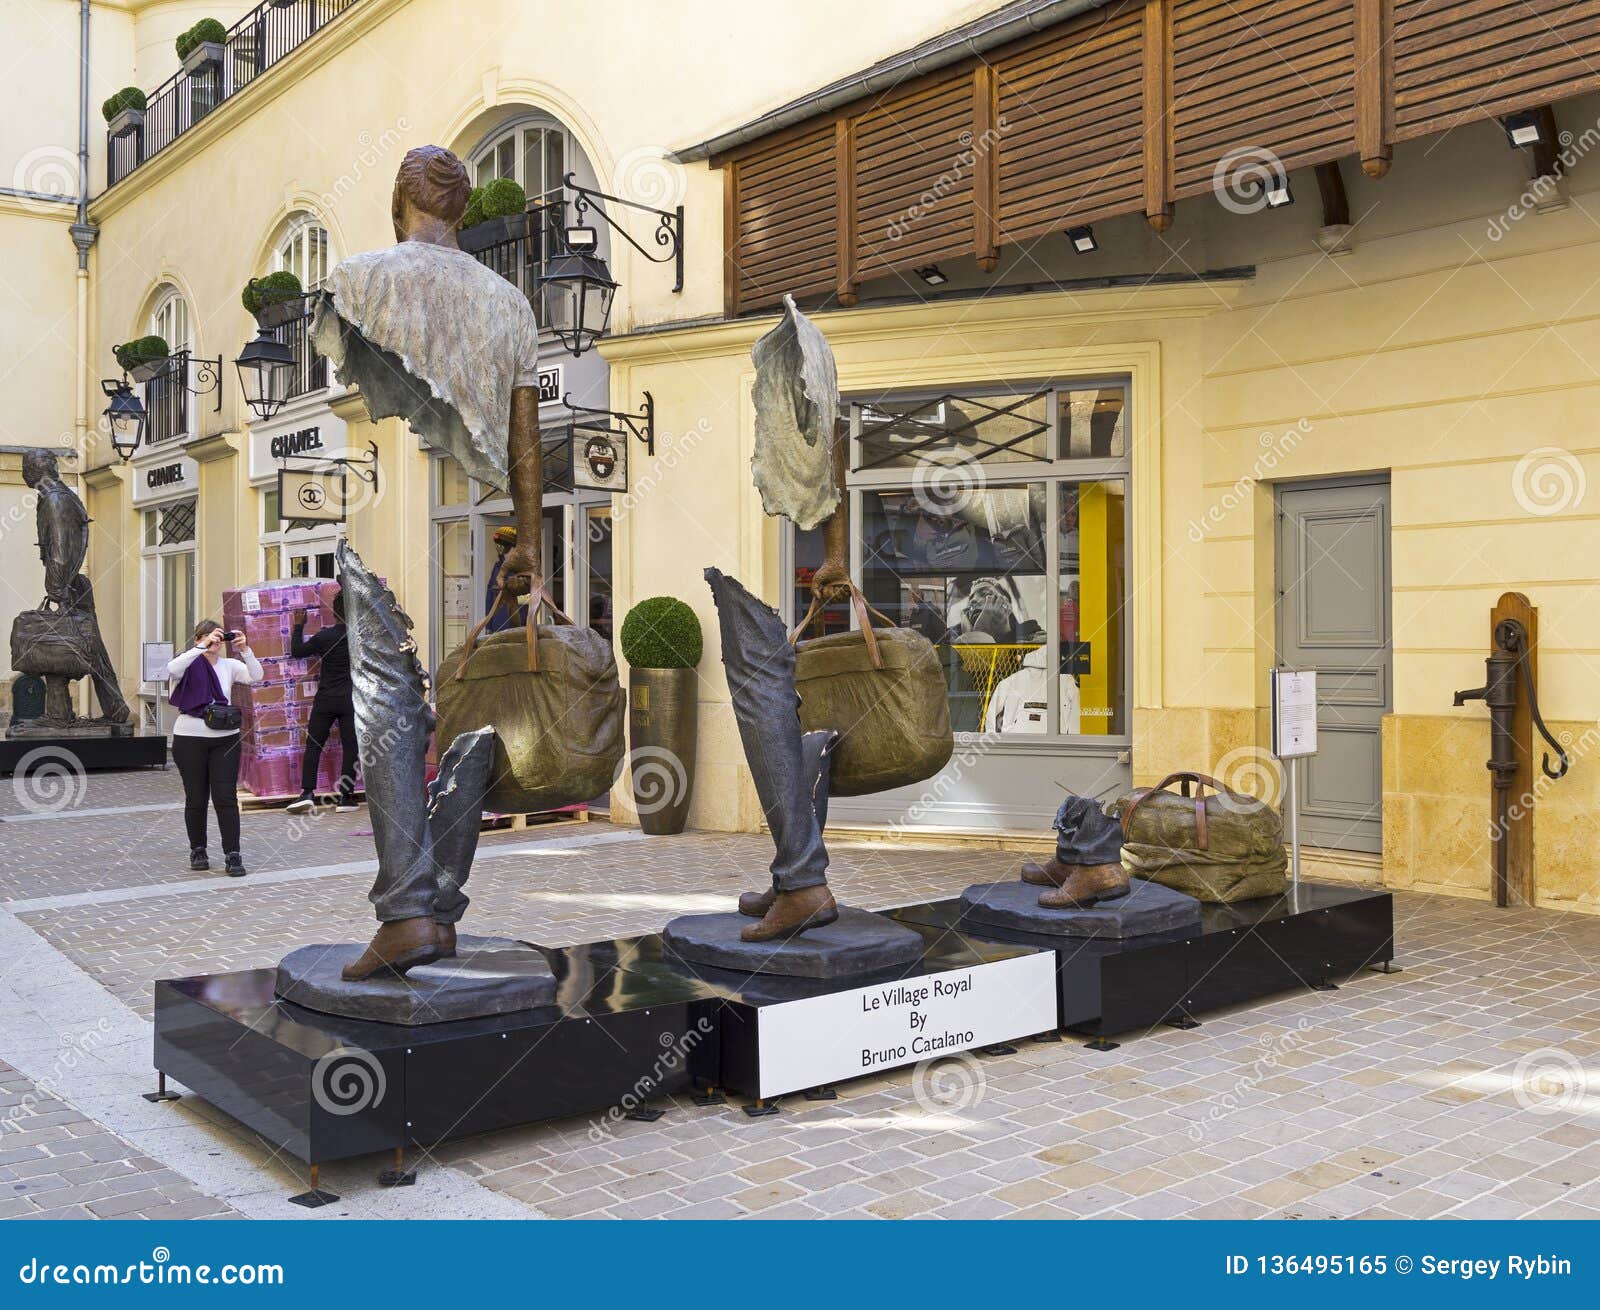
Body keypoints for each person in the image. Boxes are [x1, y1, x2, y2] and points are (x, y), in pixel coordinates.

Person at [167, 621, 262, 877]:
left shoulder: (229, 665)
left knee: (226, 797)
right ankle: (198, 849)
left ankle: (233, 854)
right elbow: (171, 668)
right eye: (212, 638)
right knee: (196, 797)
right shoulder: (187, 662)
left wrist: (245, 650)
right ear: (199, 638)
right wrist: (201, 647)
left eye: (220, 639)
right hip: (189, 738)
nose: (217, 643)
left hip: (226, 739)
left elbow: (256, 676)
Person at [286, 590, 358, 813]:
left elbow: (297, 651)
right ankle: (345, 798)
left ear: (335, 614)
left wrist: (299, 625)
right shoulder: (360, 638)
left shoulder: (324, 637)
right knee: (351, 747)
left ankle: (307, 793)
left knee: (314, 745)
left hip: (325, 699)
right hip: (350, 700)